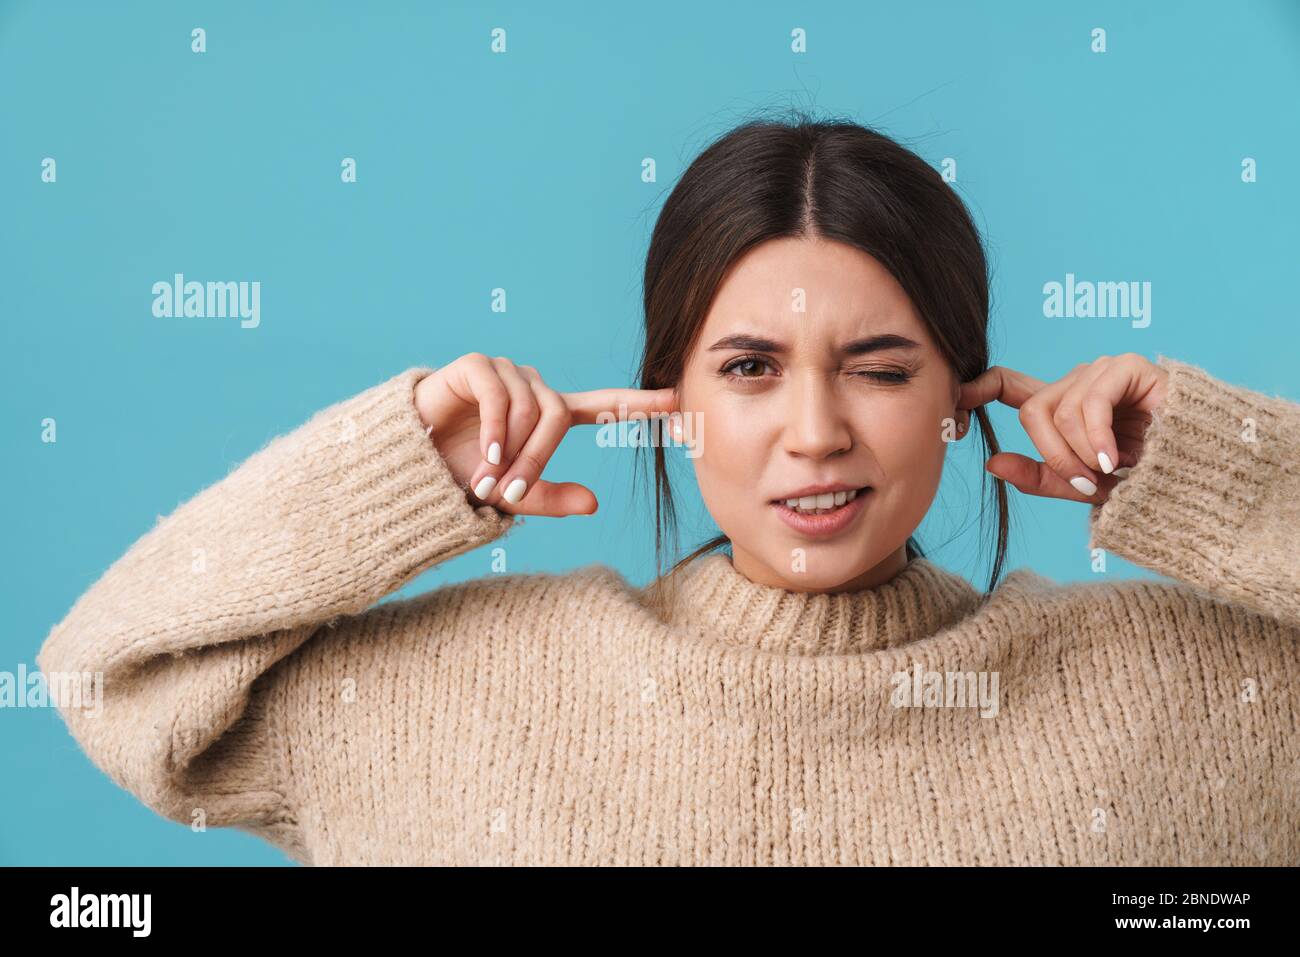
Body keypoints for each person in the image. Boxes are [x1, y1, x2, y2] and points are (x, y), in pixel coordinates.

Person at [38, 117, 1299, 866]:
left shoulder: (1177, 700)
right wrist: (392, 474)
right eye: (748, 370)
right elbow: (119, 677)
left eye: (879, 368)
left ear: (964, 397)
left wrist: (1206, 465)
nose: (814, 433)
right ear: (665, 399)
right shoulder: (459, 702)